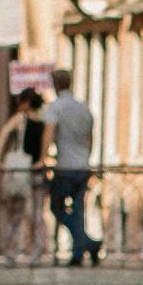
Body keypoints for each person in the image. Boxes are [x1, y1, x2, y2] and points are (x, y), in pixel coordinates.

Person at [48, 78, 99, 266]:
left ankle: (84, 244)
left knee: (57, 207)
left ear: (56, 85)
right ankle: (84, 246)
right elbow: (91, 137)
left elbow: (49, 132)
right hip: (83, 166)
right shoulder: (84, 108)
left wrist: (44, 157)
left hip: (65, 166)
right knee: (78, 209)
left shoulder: (55, 107)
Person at [0, 87, 48, 258]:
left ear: (26, 102)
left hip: (20, 169)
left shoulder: (20, 119)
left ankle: (11, 251)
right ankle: (37, 251)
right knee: (37, 214)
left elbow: (3, 134)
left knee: (16, 213)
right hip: (36, 170)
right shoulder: (44, 120)